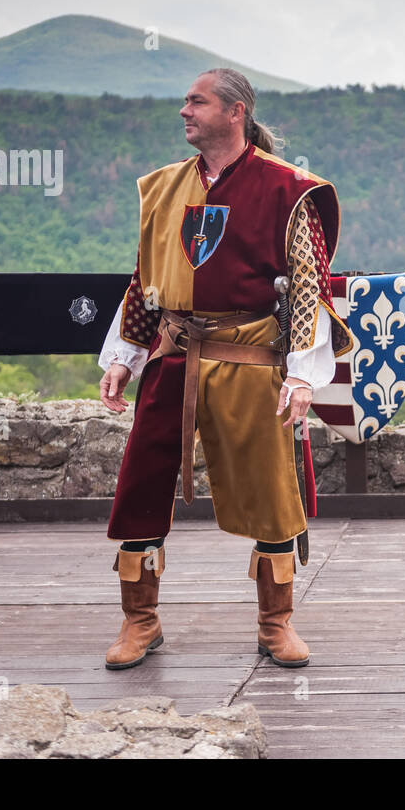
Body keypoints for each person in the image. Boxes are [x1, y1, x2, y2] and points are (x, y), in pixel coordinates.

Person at [97, 68, 351, 669]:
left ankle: (275, 623)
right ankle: (140, 622)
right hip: (174, 353)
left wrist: (302, 375)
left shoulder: (288, 188)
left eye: (197, 102)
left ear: (235, 112)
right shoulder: (163, 188)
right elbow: (145, 279)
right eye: (185, 101)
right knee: (142, 485)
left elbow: (308, 288)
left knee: (272, 491)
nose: (184, 111)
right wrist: (125, 357)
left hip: (253, 356)